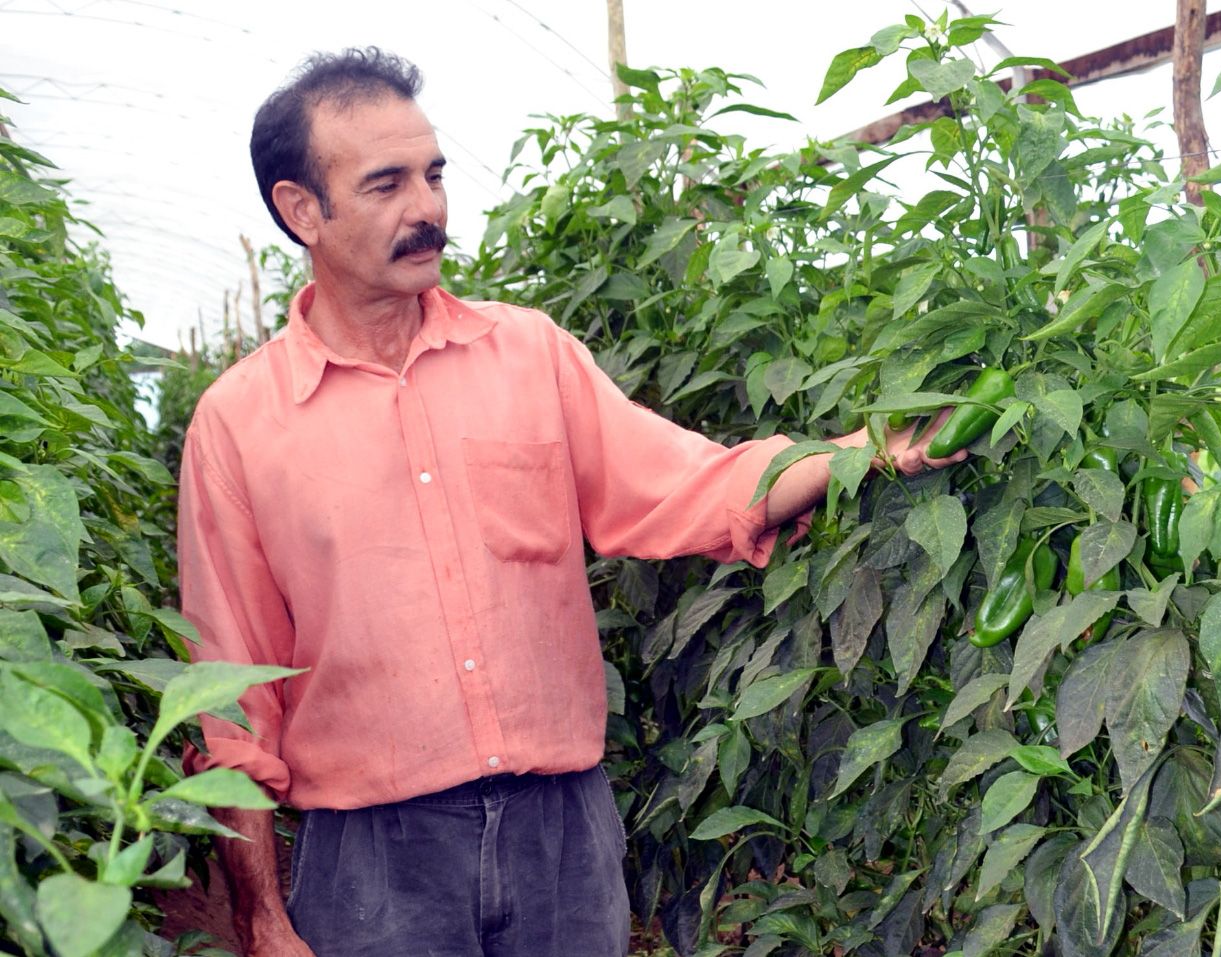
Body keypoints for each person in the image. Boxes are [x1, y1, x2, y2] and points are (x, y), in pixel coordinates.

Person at [178, 47, 961, 957]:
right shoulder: (239, 423)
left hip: (559, 832)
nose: (426, 207)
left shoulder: (529, 354)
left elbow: (686, 482)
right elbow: (228, 695)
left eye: (433, 175)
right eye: (385, 184)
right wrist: (262, 913)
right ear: (300, 209)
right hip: (372, 862)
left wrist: (870, 449)